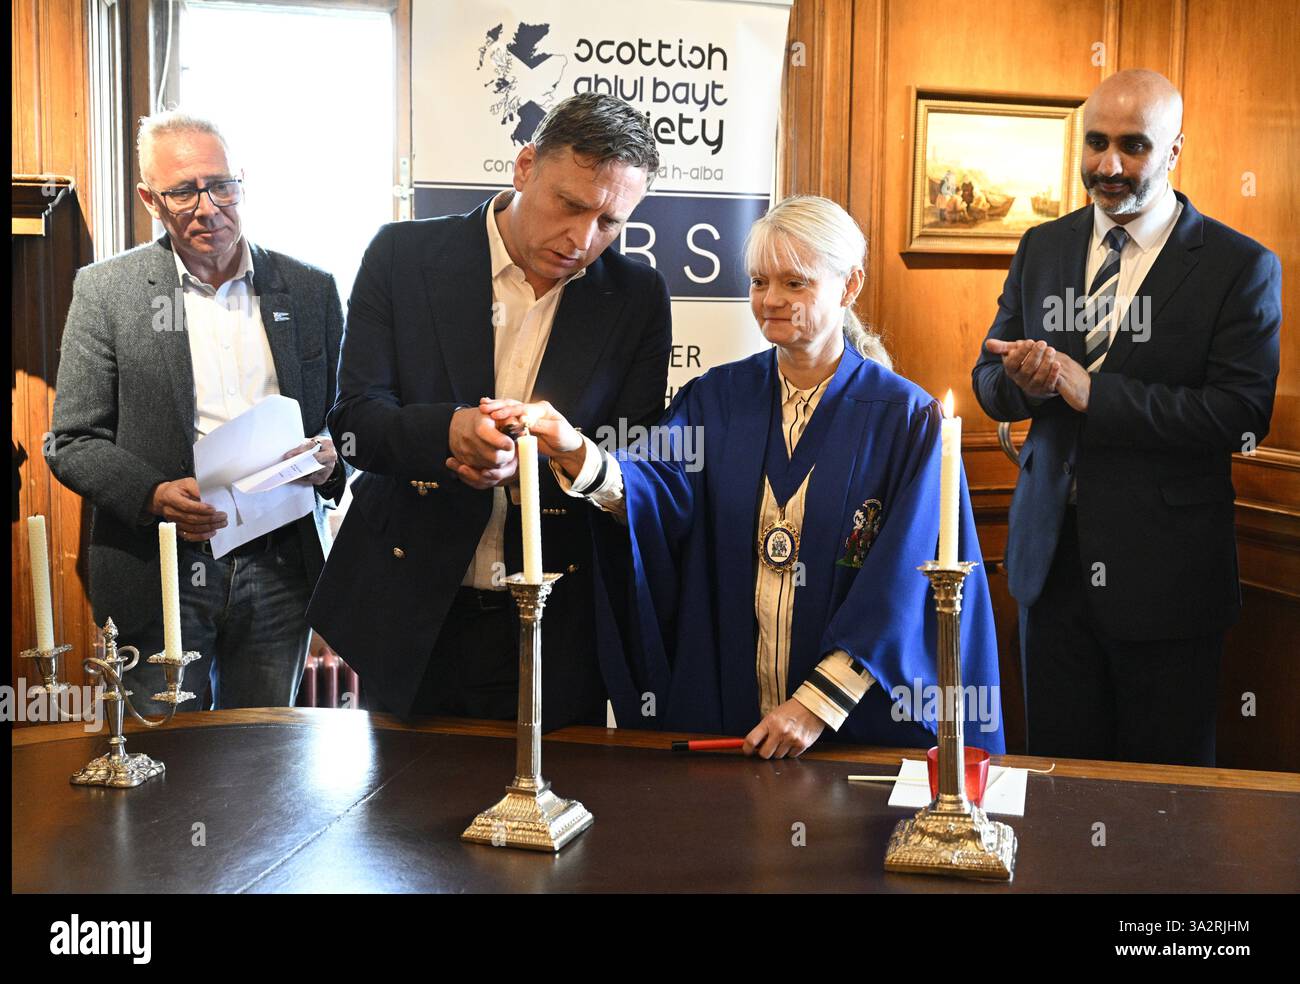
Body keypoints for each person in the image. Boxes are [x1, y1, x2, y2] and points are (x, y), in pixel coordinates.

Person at [484, 195, 1005, 759]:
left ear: (849, 285)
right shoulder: (717, 398)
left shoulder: (906, 419)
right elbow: (653, 488)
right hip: (731, 715)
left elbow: (902, 586)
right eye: (760, 281)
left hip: (850, 728)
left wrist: (816, 704)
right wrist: (574, 448)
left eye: (795, 283)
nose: (771, 301)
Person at [307, 93, 672, 729]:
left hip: (559, 625)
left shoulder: (636, 296)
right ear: (525, 167)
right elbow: (354, 421)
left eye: (611, 222)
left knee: (554, 820)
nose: (583, 239)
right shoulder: (402, 257)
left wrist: (569, 454)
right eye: (572, 205)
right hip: (413, 610)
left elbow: (635, 465)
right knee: (402, 820)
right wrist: (447, 432)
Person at [971, 69, 1282, 766]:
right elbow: (988, 380)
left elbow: (1242, 415)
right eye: (1097, 143)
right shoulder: (1043, 246)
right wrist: (1024, 384)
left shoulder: (1240, 265)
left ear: (1174, 152)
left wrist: (1093, 393)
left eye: (1134, 146)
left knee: (1164, 803)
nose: (1109, 166)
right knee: (1058, 779)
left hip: (1169, 580)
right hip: (1049, 566)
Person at [48, 111, 346, 714]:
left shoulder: (311, 289)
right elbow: (73, 440)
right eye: (183, 191)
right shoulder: (108, 292)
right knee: (160, 763)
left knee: (260, 760)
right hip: (160, 567)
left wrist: (331, 459)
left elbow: (346, 419)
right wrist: (154, 493)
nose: (208, 207)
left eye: (221, 186)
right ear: (149, 200)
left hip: (282, 564)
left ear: (242, 182)